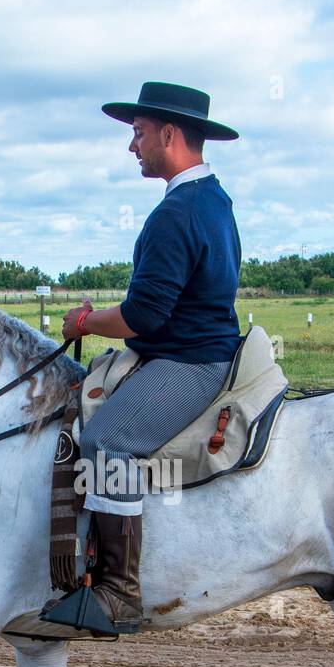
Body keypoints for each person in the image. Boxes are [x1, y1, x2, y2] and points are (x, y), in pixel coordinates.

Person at [42, 81, 241, 635]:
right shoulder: (212, 198)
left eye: (138, 134)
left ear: (169, 134)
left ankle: (118, 593)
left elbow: (143, 317)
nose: (133, 146)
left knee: (107, 442)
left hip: (191, 361)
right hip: (189, 348)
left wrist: (83, 322)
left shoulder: (178, 211)